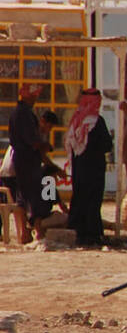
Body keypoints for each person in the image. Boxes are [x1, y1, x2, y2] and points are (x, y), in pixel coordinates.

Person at [5, 84, 64, 242]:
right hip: (26, 162)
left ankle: (24, 233)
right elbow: (33, 143)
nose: (35, 99)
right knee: (35, 198)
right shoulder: (24, 114)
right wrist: (46, 148)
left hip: (23, 163)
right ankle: (35, 232)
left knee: (23, 198)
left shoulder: (20, 113)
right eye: (33, 96)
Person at [65, 88, 113, 247]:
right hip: (94, 169)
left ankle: (77, 232)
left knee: (79, 198)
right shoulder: (96, 121)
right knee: (93, 201)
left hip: (79, 169)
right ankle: (92, 235)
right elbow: (107, 145)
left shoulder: (75, 120)